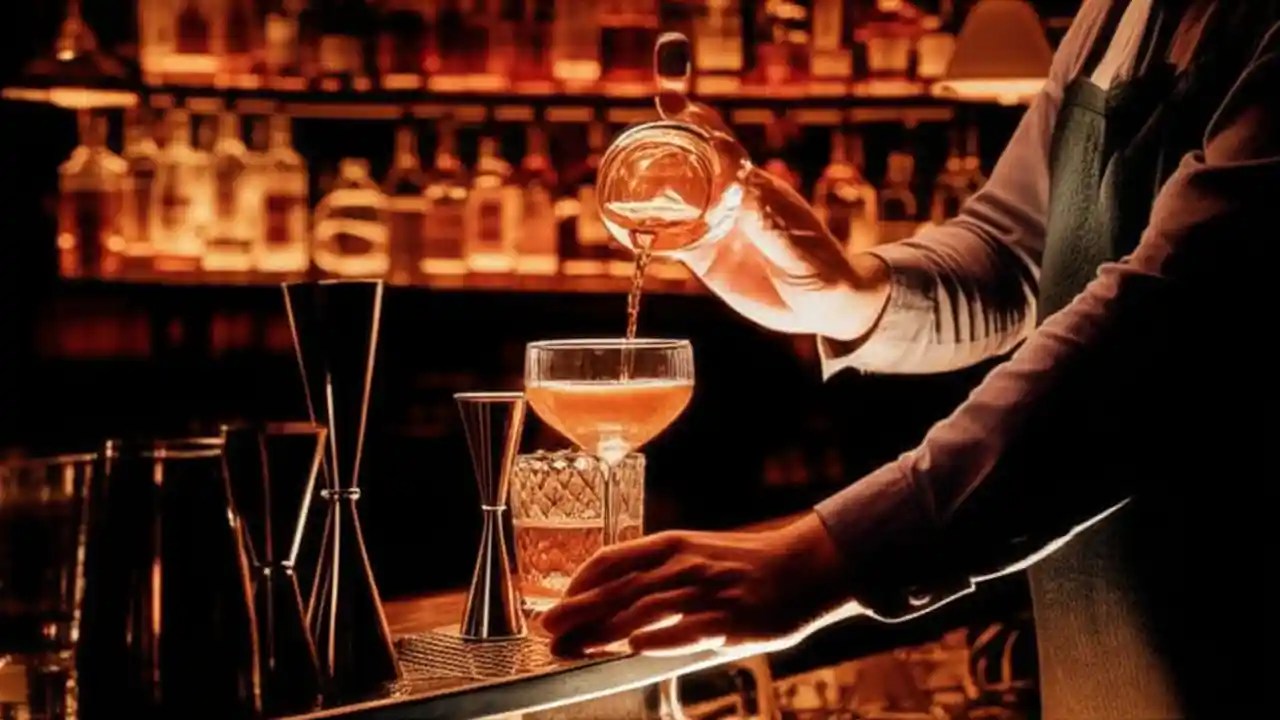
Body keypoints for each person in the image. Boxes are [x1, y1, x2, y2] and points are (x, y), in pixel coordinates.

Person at [542, 1, 1280, 716]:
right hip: (1096, 634)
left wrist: (822, 558)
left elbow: (1159, 339)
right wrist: (842, 291)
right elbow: (1012, 251)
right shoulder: (1112, 13)